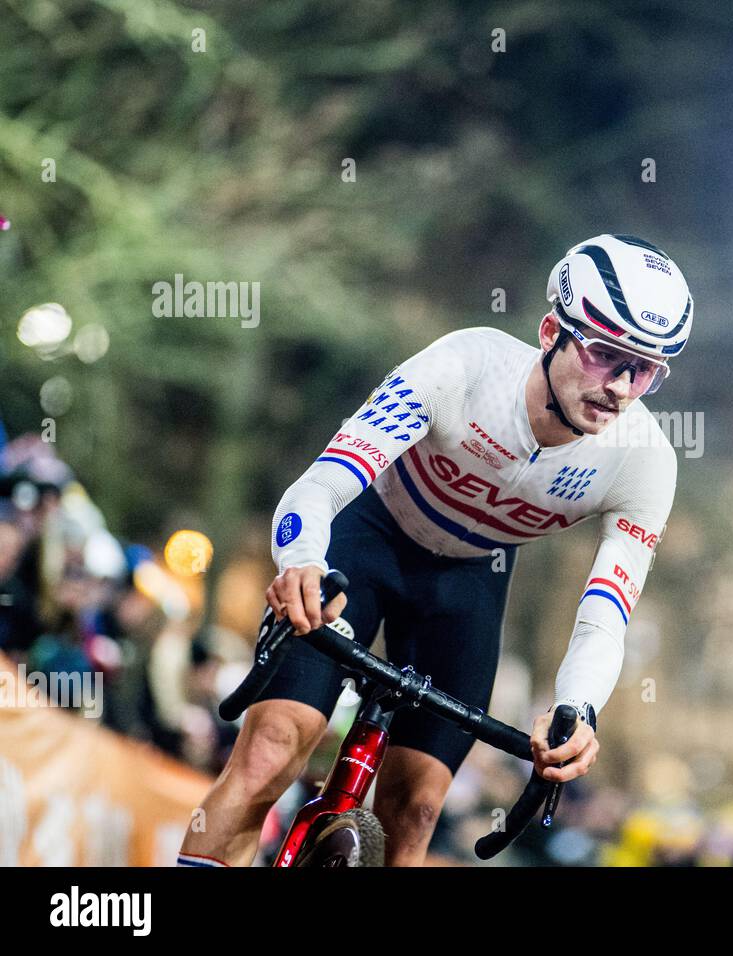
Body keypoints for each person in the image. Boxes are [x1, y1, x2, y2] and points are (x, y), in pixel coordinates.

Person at [179, 234, 691, 866]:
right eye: (606, 354)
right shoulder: (467, 365)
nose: (621, 385)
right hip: (367, 542)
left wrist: (576, 707)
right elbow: (321, 484)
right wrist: (301, 560)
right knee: (269, 752)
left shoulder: (644, 462)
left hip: (469, 584)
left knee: (416, 811)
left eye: (646, 370)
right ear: (551, 329)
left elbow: (606, 615)